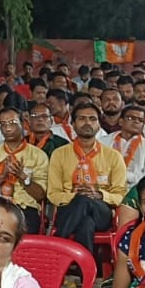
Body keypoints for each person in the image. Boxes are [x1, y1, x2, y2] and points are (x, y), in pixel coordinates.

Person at [48, 100, 127, 253]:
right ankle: (86, 271)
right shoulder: (59, 154)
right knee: (85, 223)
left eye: (92, 119)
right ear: (73, 124)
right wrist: (74, 196)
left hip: (101, 211)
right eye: (82, 118)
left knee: (85, 201)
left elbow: (120, 194)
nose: (87, 123)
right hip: (68, 209)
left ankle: (57, 246)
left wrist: (99, 194)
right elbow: (53, 194)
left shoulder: (113, 156)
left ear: (99, 125)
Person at [0, 109, 49, 232]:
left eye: (12, 122)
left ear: (23, 124)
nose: (8, 128)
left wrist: (23, 177)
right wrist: (2, 176)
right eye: (3, 124)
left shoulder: (38, 155)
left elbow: (40, 196)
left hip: (25, 208)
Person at [107, 104, 145, 183]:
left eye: (140, 120)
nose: (136, 121)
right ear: (121, 121)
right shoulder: (104, 141)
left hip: (135, 189)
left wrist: (128, 176)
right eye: (131, 118)